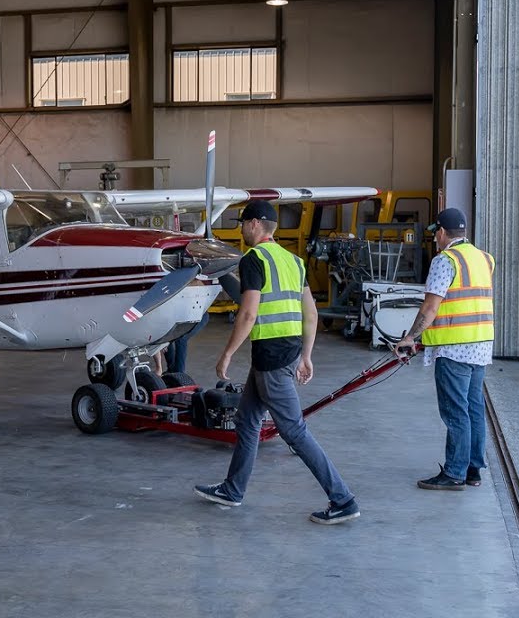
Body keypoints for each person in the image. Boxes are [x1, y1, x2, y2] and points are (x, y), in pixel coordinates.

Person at [193, 200, 359, 525]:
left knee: (293, 431)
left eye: (243, 223)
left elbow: (248, 311)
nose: (242, 229)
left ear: (255, 224)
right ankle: (232, 489)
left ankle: (343, 499)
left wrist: (226, 353)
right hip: (286, 353)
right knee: (248, 421)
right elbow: (310, 312)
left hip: (271, 358)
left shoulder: (255, 259)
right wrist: (306, 355)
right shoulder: (293, 261)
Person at [394, 207, 495, 491]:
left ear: (440, 233)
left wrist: (411, 337)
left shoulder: (445, 260)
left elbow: (431, 305)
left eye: (435, 234)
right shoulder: (485, 259)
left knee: (455, 411)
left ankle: (453, 472)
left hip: (455, 348)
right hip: (481, 344)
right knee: (474, 408)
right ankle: (472, 469)